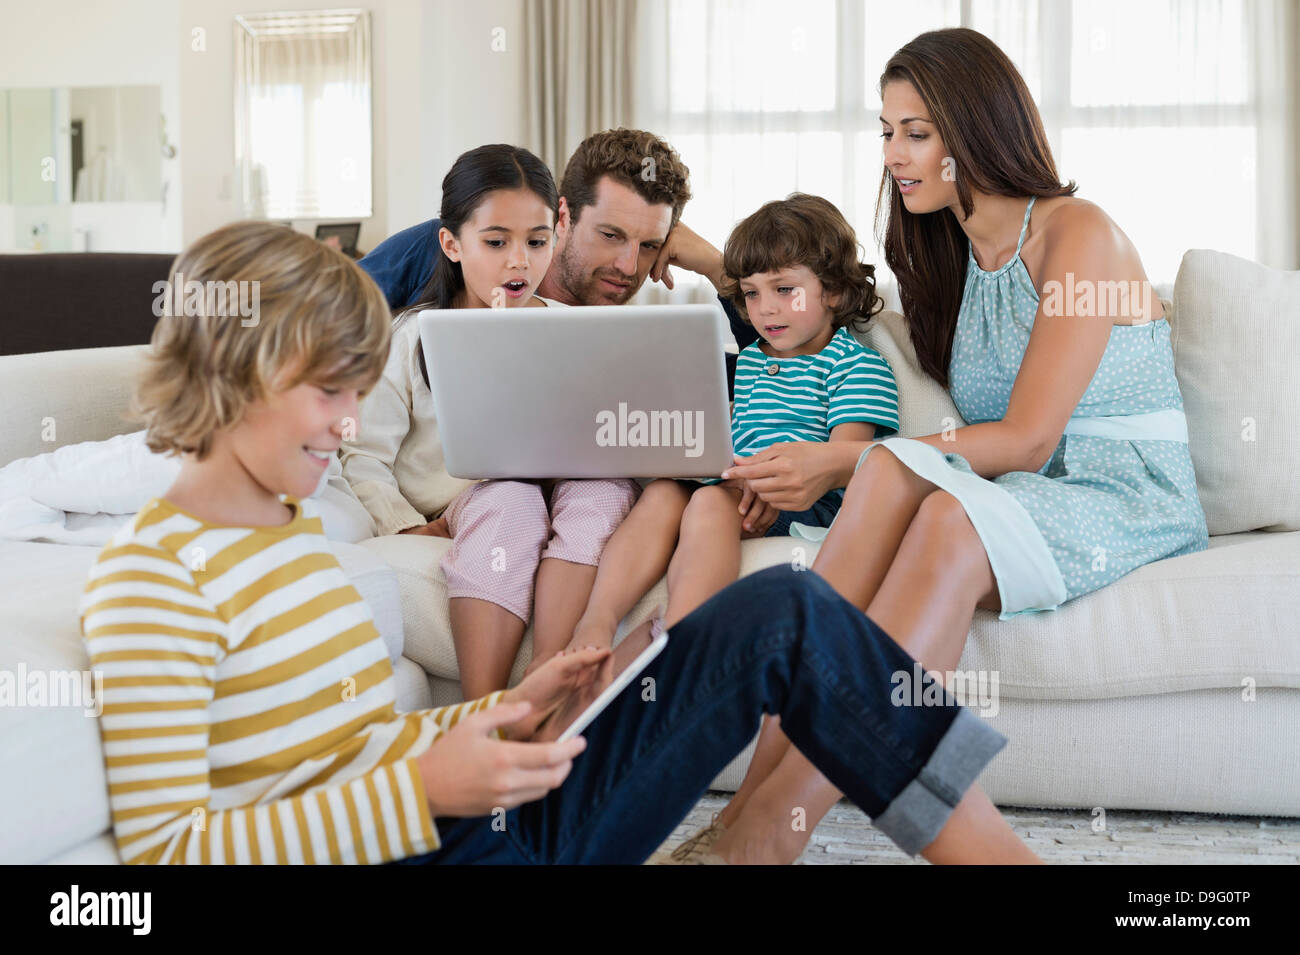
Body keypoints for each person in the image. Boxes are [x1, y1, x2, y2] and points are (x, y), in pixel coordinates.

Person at [79, 218, 1037, 864]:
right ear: (237, 373)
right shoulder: (154, 580)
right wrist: (421, 789)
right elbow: (164, 854)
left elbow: (348, 749)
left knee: (788, 610)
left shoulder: (288, 537)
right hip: (432, 843)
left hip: (464, 826)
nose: (343, 426)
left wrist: (490, 719)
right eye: (329, 392)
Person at [666, 27, 1210, 864]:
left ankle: (770, 827)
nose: (894, 154)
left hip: (1119, 487)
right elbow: (805, 301)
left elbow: (1028, 437)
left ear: (978, 126)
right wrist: (703, 257)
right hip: (1020, 493)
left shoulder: (1078, 233)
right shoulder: (948, 252)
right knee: (900, 488)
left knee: (930, 507)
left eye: (916, 132)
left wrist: (848, 458)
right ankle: (752, 816)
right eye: (886, 132)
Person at [338, 144, 638, 698]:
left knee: (604, 487)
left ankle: (549, 671)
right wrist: (407, 526)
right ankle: (484, 709)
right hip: (469, 501)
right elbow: (363, 457)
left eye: (537, 240)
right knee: (510, 498)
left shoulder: (584, 330)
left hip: (563, 488)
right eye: (495, 242)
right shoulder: (412, 335)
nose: (518, 261)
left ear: (559, 230)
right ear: (452, 244)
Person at [555, 194, 900, 665]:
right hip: (736, 486)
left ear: (835, 291)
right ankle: (597, 620)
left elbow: (847, 468)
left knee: (712, 503)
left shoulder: (856, 366)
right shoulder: (754, 359)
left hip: (804, 506)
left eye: (784, 290)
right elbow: (731, 435)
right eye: (753, 293)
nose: (765, 309)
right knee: (663, 494)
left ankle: (683, 638)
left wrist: (763, 483)